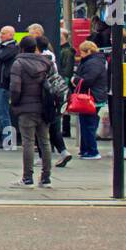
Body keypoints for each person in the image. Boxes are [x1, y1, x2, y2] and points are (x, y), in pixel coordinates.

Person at [8, 36, 54, 188]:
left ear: (21, 48)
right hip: (44, 107)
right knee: (45, 141)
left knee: (28, 142)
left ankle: (27, 177)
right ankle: (46, 177)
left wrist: (14, 102)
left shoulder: (18, 64)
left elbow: (15, 88)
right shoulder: (47, 62)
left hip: (26, 108)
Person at [37, 35, 73, 167]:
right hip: (56, 98)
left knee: (42, 129)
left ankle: (43, 157)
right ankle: (63, 151)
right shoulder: (51, 57)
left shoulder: (43, 59)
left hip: (47, 98)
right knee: (54, 127)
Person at [71, 41, 108, 160]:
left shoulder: (93, 63)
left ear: (88, 51)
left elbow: (88, 80)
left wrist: (75, 80)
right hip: (93, 96)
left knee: (88, 125)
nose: (80, 55)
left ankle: (92, 151)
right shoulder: (96, 61)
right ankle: (86, 149)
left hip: (91, 97)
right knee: (86, 124)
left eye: (82, 52)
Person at [0, 26, 19, 148]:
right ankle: (5, 139)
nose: (1, 35)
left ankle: (9, 141)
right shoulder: (4, 48)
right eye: (1, 32)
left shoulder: (12, 48)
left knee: (3, 113)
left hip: (4, 85)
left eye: (4, 33)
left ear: (11, 35)